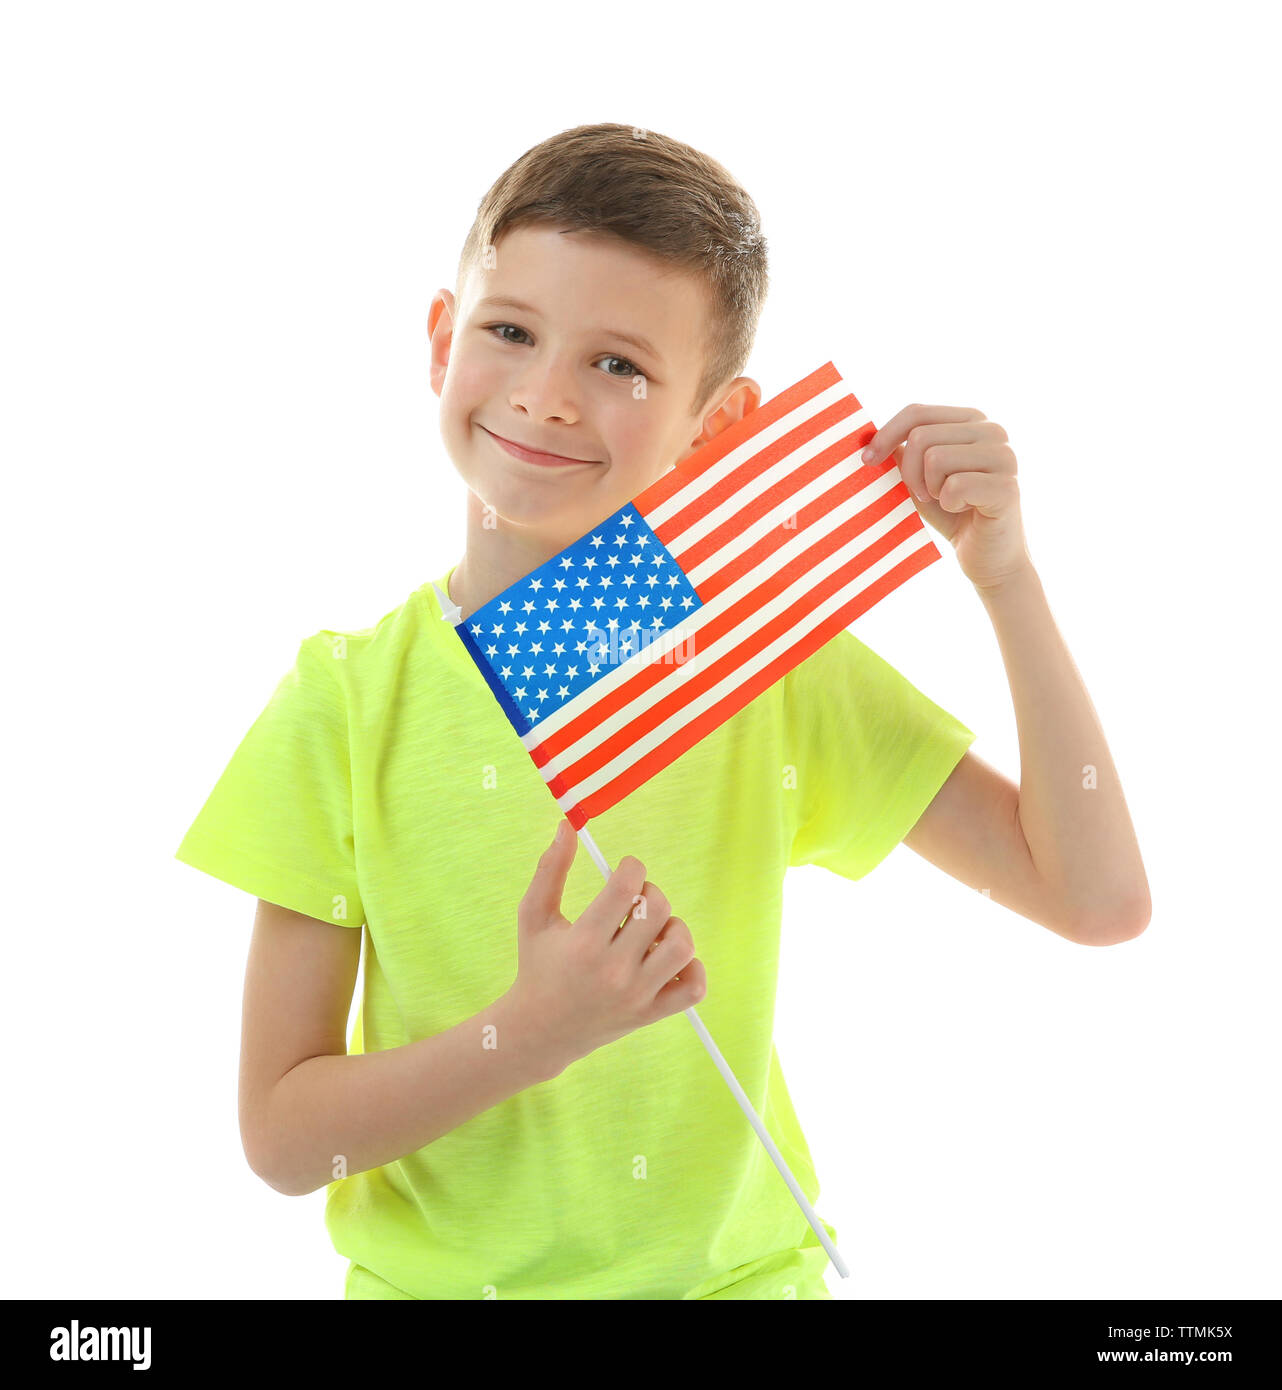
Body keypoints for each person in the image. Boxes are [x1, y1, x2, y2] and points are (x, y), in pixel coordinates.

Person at [174, 122, 1150, 1301]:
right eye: (511, 331)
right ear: (442, 340)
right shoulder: (340, 704)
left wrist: (1008, 581)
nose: (546, 396)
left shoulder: (764, 662)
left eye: (620, 365)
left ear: (719, 426)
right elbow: (284, 1139)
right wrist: (528, 1035)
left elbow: (1093, 899)